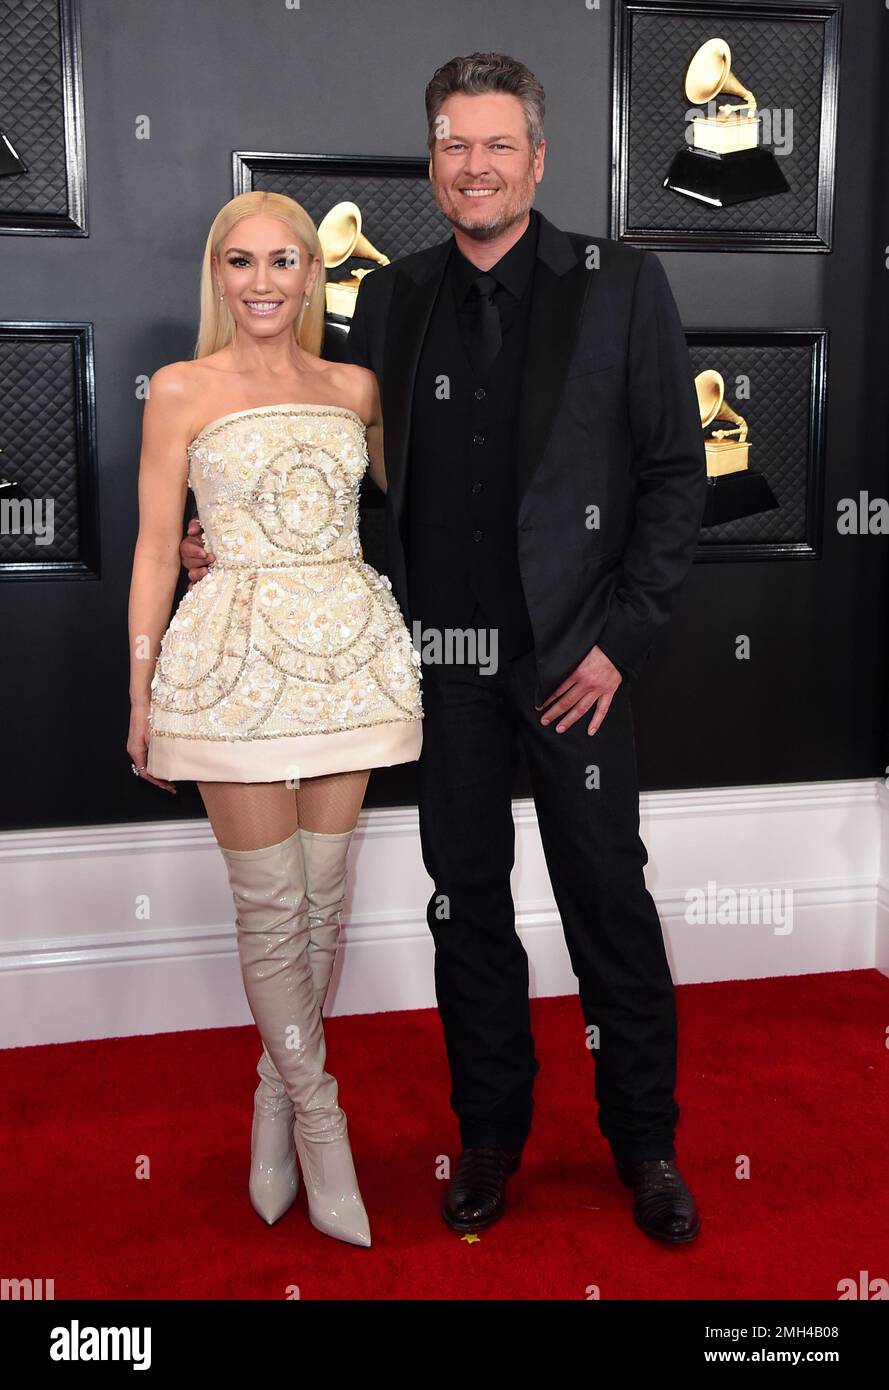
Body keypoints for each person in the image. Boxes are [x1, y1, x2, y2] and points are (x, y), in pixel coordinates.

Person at [182, 51, 707, 1244]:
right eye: (455, 145)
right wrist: (240, 536)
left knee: (606, 905)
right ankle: (489, 1143)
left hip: (579, 667)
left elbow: (678, 477)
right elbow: (360, 487)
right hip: (444, 671)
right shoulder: (397, 295)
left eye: (497, 145)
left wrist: (619, 644)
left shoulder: (620, 284)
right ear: (433, 160)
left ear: (537, 157)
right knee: (464, 907)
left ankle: (647, 1145)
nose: (476, 166)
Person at [127, 190, 423, 1248]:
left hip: (348, 658)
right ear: (217, 273)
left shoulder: (357, 386)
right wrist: (139, 688)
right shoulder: (179, 389)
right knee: (268, 907)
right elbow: (161, 548)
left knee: (322, 901)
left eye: (283, 261)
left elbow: (421, 501)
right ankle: (319, 1117)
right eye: (240, 261)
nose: (261, 281)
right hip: (229, 667)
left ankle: (270, 1094)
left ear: (312, 274)